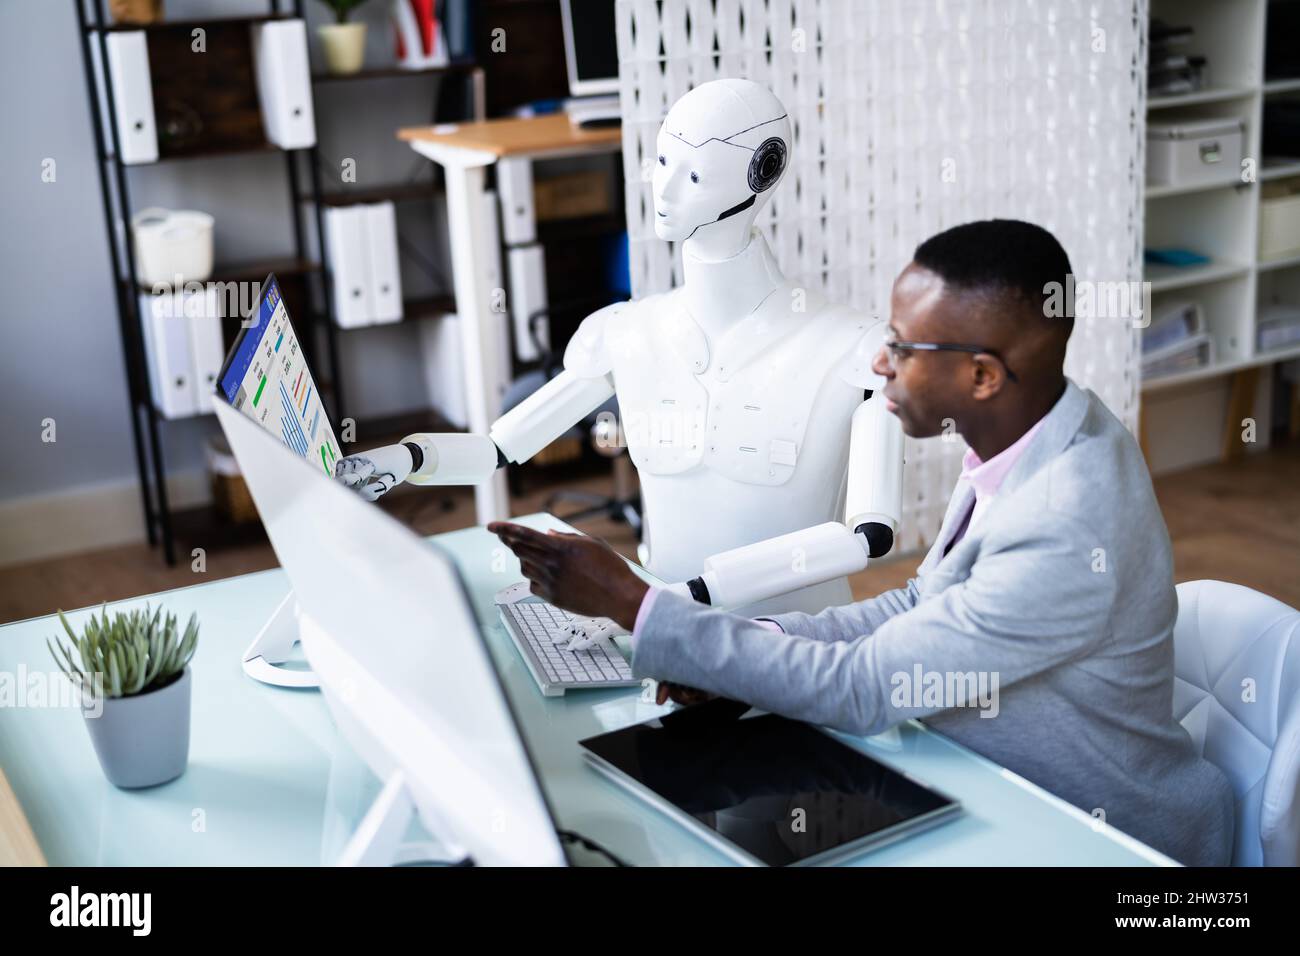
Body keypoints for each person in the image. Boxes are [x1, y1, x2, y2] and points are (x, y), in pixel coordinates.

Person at [489, 219, 1235, 866]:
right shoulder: (1044, 429)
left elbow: (868, 688)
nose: (880, 362)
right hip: (997, 787)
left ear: (980, 375)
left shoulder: (1066, 522)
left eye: (903, 347)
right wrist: (746, 642)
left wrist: (632, 601)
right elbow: (920, 601)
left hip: (1109, 842)